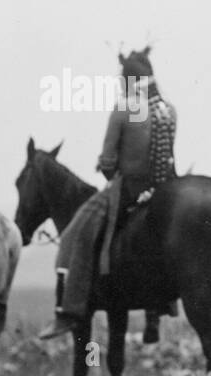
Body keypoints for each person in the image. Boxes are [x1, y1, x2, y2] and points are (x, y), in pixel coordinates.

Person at [39, 47, 178, 343]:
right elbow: (164, 156)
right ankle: (159, 308)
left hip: (127, 190)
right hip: (164, 188)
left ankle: (69, 309)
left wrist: (106, 167)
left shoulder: (124, 109)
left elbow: (108, 162)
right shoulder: (167, 109)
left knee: (74, 234)